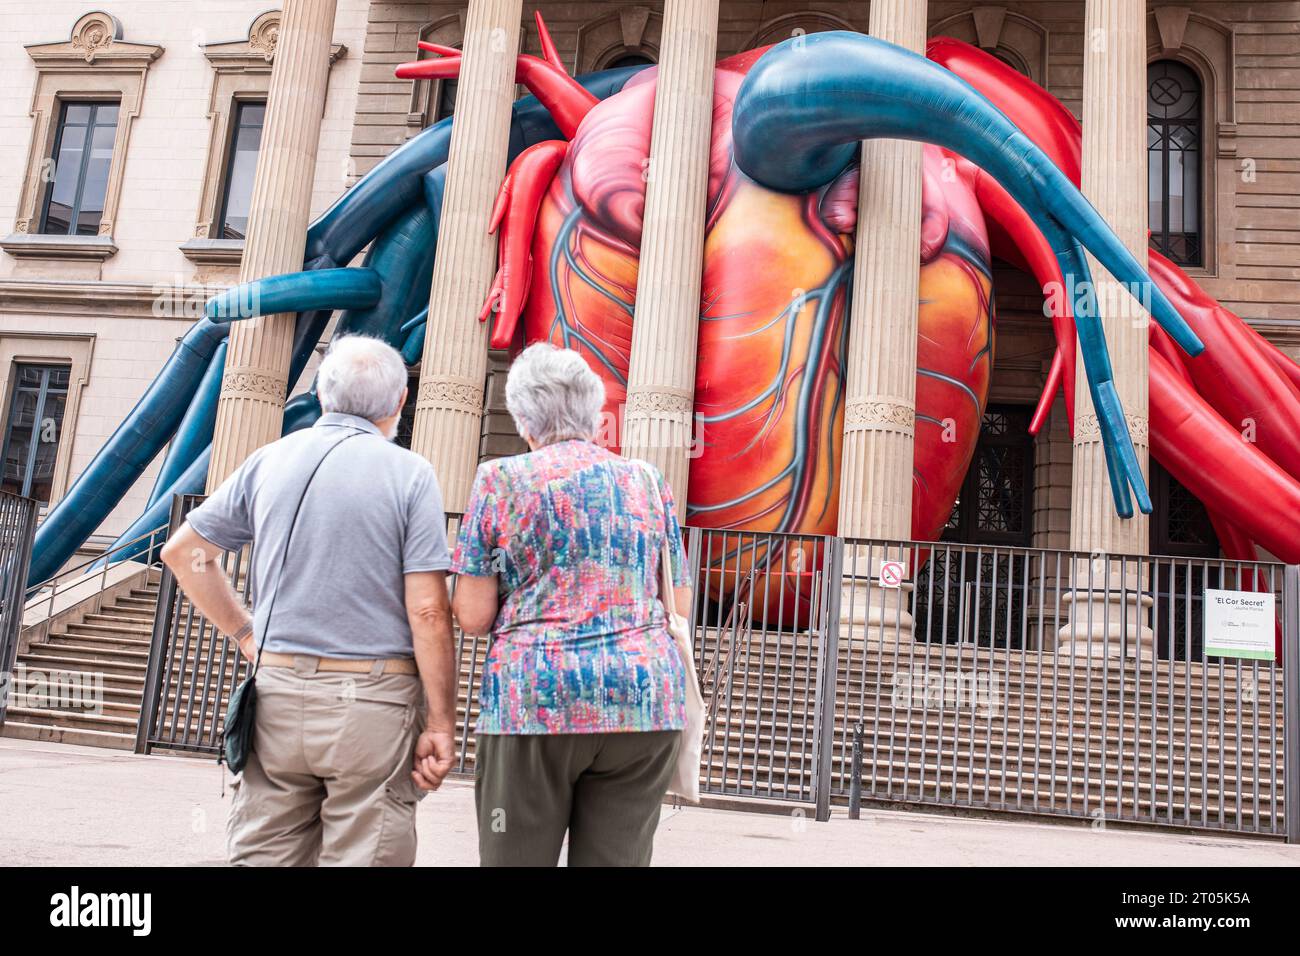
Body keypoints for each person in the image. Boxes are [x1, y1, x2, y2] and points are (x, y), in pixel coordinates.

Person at [161, 334, 457, 867]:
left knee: (264, 855)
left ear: (321, 393)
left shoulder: (268, 459)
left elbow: (184, 554)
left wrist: (245, 632)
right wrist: (440, 722)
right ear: (400, 401)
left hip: (276, 693)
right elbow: (429, 610)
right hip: (372, 701)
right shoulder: (411, 474)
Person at [452, 342, 692, 867]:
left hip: (533, 701)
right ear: (594, 413)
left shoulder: (500, 480)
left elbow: (471, 615)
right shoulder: (648, 481)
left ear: (522, 420)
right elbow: (677, 600)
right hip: (642, 701)